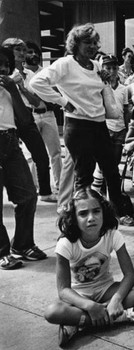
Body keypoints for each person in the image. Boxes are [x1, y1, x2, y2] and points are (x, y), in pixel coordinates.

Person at [30, 23, 131, 224]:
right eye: (87, 42)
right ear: (75, 44)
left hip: (99, 124)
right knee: (83, 174)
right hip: (78, 126)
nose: (92, 46)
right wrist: (63, 102)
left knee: (111, 170)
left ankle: (118, 212)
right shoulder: (65, 63)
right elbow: (36, 83)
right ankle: (79, 218)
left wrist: (104, 80)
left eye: (95, 43)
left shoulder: (96, 66)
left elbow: (99, 92)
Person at [43, 188, 134, 347]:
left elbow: (129, 275)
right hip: (79, 294)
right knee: (52, 312)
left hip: (106, 289)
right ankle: (122, 315)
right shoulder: (65, 244)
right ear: (74, 217)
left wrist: (116, 300)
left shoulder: (112, 235)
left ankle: (80, 323)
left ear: (104, 212)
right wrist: (89, 306)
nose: (91, 218)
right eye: (83, 214)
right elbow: (63, 290)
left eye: (96, 211)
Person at [0, 46, 47, 269]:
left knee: (28, 195)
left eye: (6, 66)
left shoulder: (10, 88)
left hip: (11, 142)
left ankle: (23, 244)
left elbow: (24, 118)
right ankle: (2, 251)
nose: (3, 69)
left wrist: (14, 90)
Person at [2, 38, 57, 203]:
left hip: (25, 115)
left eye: (24, 50)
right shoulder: (5, 70)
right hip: (6, 119)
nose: (23, 53)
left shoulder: (30, 74)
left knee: (41, 154)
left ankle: (45, 191)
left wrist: (21, 88)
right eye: (18, 49)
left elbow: (35, 101)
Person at [24, 41, 63, 196]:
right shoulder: (21, 74)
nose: (34, 55)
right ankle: (34, 187)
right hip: (31, 115)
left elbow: (54, 95)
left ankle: (59, 185)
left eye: (36, 52)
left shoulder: (46, 72)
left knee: (55, 151)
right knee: (31, 154)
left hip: (48, 114)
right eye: (30, 52)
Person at [91, 54, 130, 204]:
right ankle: (100, 192)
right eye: (108, 67)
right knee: (102, 164)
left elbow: (126, 110)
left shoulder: (123, 89)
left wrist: (126, 129)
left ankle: (112, 194)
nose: (111, 71)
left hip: (120, 130)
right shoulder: (99, 86)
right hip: (104, 128)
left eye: (114, 67)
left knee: (115, 162)